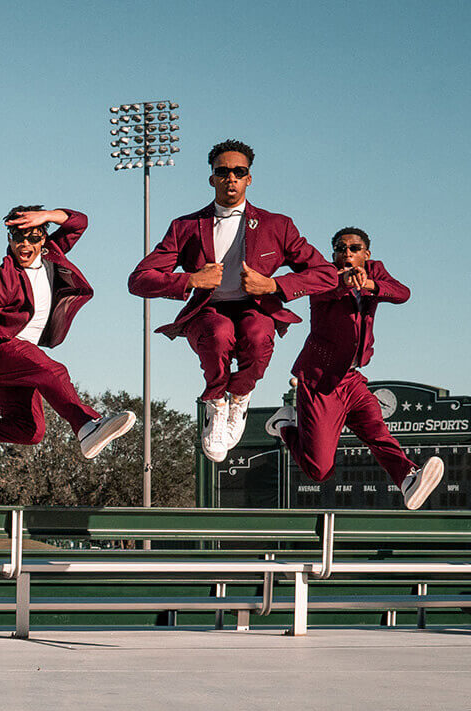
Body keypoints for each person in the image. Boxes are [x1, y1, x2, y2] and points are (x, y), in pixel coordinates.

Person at [129, 139, 336, 462]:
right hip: (208, 310)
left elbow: (326, 274)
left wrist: (273, 284)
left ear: (249, 178)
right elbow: (139, 279)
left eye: (239, 171)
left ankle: (239, 397)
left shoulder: (277, 225)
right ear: (211, 178)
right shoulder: (185, 226)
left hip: (255, 306)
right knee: (219, 332)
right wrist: (191, 280)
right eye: (222, 171)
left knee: (257, 335)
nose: (231, 178)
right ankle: (217, 404)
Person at [265, 228, 443, 509]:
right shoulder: (323, 274)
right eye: (340, 248)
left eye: (354, 248)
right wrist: (346, 282)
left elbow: (403, 293)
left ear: (366, 254)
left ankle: (407, 479)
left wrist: (371, 285)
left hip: (351, 377)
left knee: (377, 431)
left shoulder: (375, 271)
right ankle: (285, 424)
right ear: (334, 254)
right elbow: (324, 291)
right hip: (320, 379)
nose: (346, 253)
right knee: (319, 470)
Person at [0, 205, 135, 456]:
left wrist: (47, 216)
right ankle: (86, 425)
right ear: (9, 239)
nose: (25, 245)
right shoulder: (4, 277)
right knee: (53, 371)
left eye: (33, 238)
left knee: (30, 431)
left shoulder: (52, 254)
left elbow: (80, 223)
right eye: (18, 238)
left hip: (18, 366)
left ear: (43, 238)